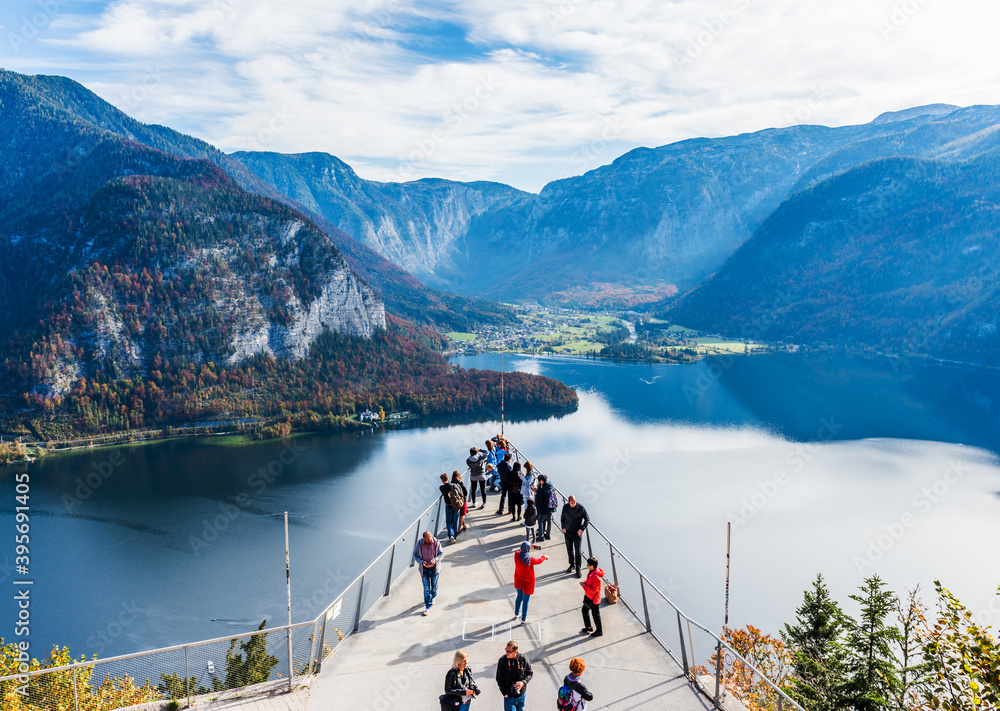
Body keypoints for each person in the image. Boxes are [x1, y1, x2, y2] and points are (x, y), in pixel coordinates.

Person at [512, 541, 546, 624]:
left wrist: (529, 547)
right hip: (527, 582)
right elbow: (539, 560)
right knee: (525, 601)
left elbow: (521, 552)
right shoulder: (530, 559)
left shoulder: (516, 554)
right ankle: (523, 619)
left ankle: (517, 614)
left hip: (518, 580)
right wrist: (544, 557)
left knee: (519, 597)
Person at [495, 640, 533, 711]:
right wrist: (504, 693)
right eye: (506, 650)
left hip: (521, 694)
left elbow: (530, 673)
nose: (506, 653)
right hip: (509, 696)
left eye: (509, 652)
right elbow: (499, 678)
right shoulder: (502, 661)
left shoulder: (523, 659)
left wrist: (523, 682)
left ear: (515, 652)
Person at [413, 531, 443, 615]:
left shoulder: (436, 542)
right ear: (424, 539)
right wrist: (421, 561)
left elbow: (441, 553)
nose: (429, 541)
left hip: (434, 569)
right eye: (427, 540)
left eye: (430, 539)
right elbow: (414, 554)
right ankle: (428, 607)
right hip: (424, 569)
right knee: (426, 588)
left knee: (434, 586)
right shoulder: (419, 543)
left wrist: (435, 560)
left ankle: (433, 596)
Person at [561, 495, 590, 577]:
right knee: (569, 550)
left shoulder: (581, 508)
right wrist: (563, 527)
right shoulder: (565, 507)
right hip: (568, 533)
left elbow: (587, 519)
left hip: (577, 533)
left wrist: (582, 529)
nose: (573, 504)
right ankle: (572, 565)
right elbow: (562, 518)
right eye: (572, 503)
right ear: (568, 502)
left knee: (578, 551)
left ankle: (578, 568)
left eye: (574, 503)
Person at [579, 557, 604, 637]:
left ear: (592, 566)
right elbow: (590, 582)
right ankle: (588, 627)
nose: (587, 566)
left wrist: (584, 586)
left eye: (588, 565)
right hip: (589, 596)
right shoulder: (591, 572)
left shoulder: (596, 576)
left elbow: (594, 590)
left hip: (594, 599)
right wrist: (585, 583)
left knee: (595, 615)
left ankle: (599, 631)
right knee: (584, 610)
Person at [440, 473, 462, 543]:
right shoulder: (453, 485)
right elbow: (460, 494)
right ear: (448, 478)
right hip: (455, 505)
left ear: (442, 480)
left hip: (448, 505)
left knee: (449, 522)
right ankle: (454, 537)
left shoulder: (441, 487)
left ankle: (451, 535)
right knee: (455, 521)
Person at [535, 474, 555, 541]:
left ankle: (541, 536)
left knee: (540, 520)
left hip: (544, 508)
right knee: (549, 520)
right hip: (551, 507)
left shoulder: (543, 489)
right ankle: (548, 534)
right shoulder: (551, 486)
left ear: (541, 481)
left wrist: (536, 493)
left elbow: (540, 498)